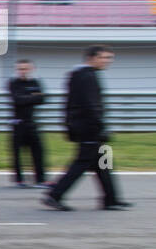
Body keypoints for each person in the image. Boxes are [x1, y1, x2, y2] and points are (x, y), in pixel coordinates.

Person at [43, 45, 133, 211]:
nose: (108, 61)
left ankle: (111, 199)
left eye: (109, 58)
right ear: (92, 58)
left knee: (104, 163)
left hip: (86, 126)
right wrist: (100, 127)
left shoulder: (82, 74)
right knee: (81, 163)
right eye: (104, 58)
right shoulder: (86, 76)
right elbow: (90, 105)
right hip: (89, 128)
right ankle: (54, 195)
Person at [8, 59, 47, 187]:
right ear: (17, 70)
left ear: (31, 69)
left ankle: (40, 179)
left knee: (38, 151)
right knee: (17, 153)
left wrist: (28, 97)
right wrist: (32, 96)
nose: (22, 71)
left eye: (25, 69)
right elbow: (17, 100)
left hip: (31, 122)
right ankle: (19, 180)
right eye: (20, 69)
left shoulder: (35, 82)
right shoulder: (13, 83)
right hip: (18, 123)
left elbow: (42, 99)